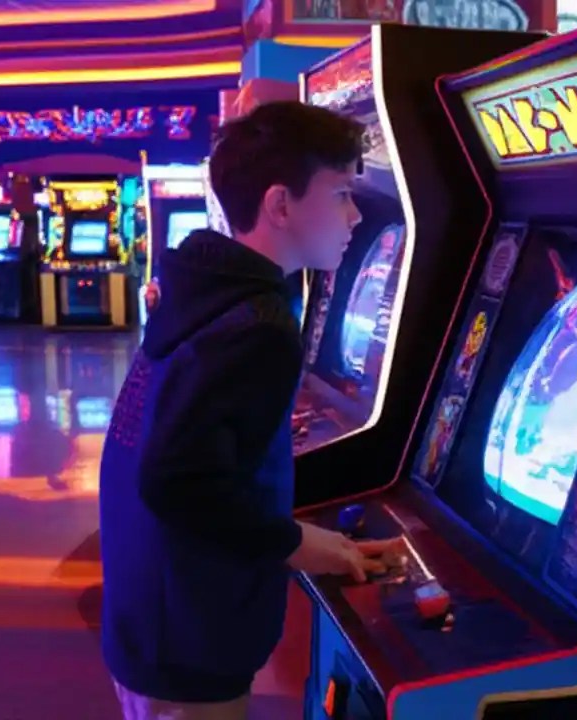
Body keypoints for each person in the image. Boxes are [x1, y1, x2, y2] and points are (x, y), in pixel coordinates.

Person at [99, 100, 397, 720]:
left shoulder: (206, 290)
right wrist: (299, 543)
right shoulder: (257, 325)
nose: (356, 213)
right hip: (186, 637)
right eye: (342, 192)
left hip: (152, 613)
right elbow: (178, 481)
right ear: (280, 204)